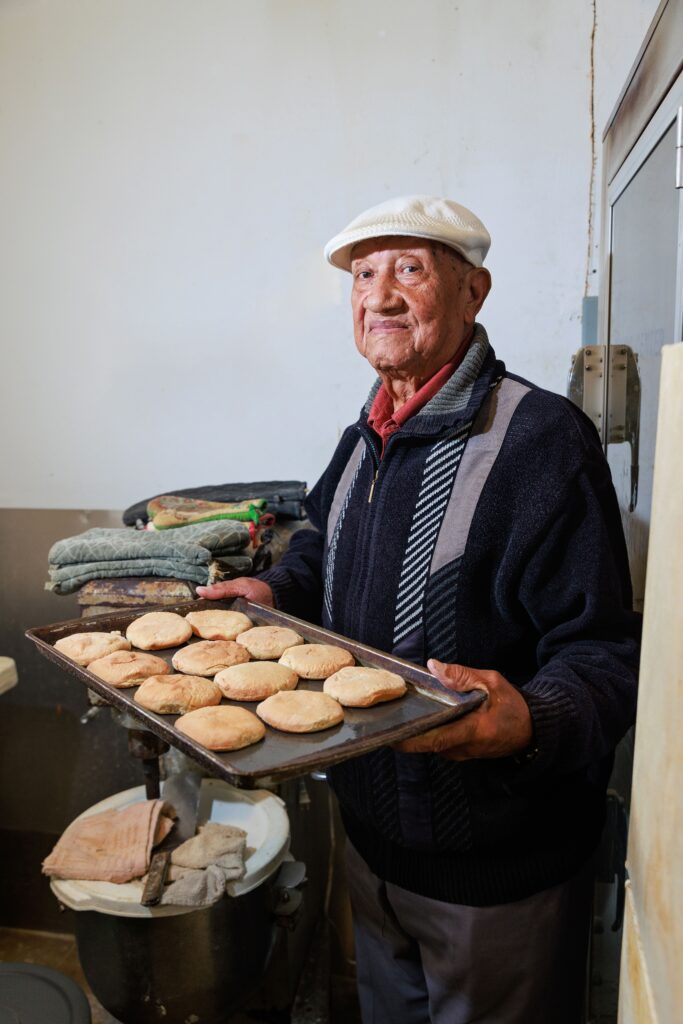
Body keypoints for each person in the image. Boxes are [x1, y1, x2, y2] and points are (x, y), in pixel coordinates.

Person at [197, 195, 640, 1023]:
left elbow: (606, 653)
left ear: (474, 291)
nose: (380, 296)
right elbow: (319, 551)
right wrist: (273, 592)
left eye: (409, 269)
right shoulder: (365, 435)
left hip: (498, 878)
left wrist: (529, 720)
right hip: (371, 851)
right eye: (363, 276)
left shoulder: (542, 440)